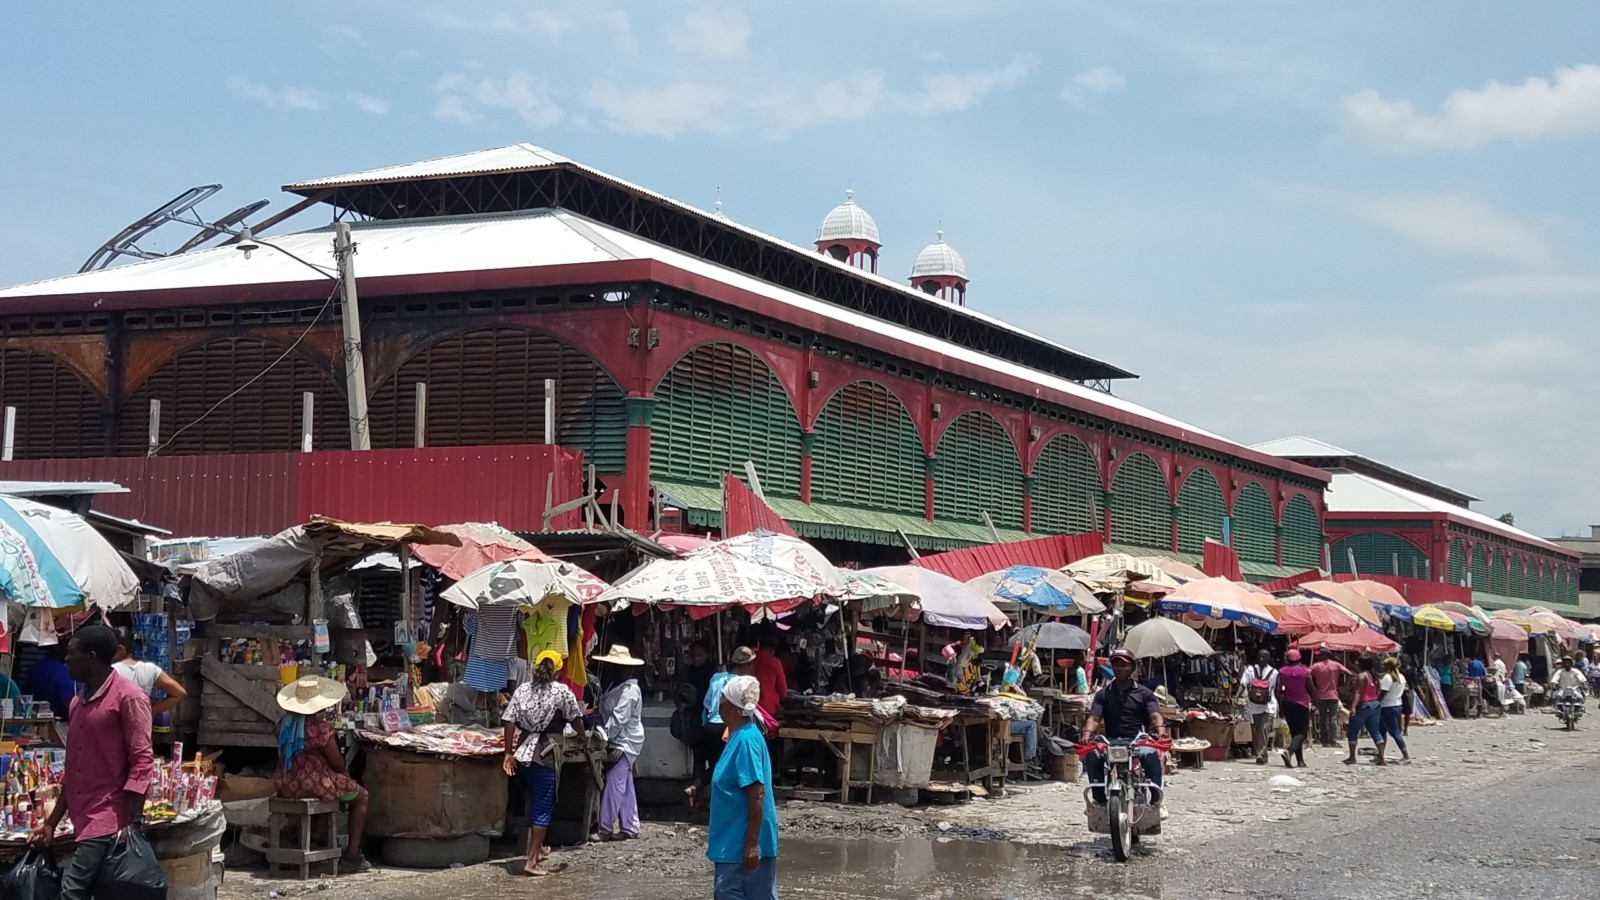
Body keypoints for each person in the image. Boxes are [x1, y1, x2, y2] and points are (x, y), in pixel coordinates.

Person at [28, 624, 155, 900]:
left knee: (70, 893)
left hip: (108, 818)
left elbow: (142, 760)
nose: (65, 659)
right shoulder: (78, 703)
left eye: (71, 653)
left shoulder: (129, 697)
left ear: (91, 657)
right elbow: (73, 772)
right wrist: (51, 822)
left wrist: (134, 821)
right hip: (82, 818)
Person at [502, 650, 589, 877]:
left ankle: (538, 848)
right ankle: (531, 861)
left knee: (533, 798)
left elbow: (509, 721)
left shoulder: (522, 689)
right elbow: (576, 718)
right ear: (558, 670)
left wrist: (508, 753)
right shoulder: (561, 692)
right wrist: (581, 735)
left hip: (523, 755)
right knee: (543, 807)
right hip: (545, 755)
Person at [272, 674, 370, 872]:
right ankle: (352, 855)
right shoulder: (321, 729)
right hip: (314, 784)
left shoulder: (283, 725)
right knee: (362, 797)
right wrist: (345, 773)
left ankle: (315, 839)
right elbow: (337, 763)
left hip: (285, 783)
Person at [708, 675, 779, 900]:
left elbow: (757, 794)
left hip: (739, 844)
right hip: (734, 840)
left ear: (729, 705)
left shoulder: (746, 741)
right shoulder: (740, 737)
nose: (717, 700)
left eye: (721, 696)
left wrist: (750, 845)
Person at [1081, 648, 1165, 804]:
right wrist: (1087, 734)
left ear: (1133, 668)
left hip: (1138, 741)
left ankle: (1156, 798)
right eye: (1116, 665)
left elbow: (1155, 716)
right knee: (1093, 755)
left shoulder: (1145, 694)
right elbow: (1094, 718)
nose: (1120, 668)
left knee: (1150, 754)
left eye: (1124, 665)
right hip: (1111, 741)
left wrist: (1161, 731)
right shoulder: (1103, 694)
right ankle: (1098, 798)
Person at [594, 645, 645, 841]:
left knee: (614, 784)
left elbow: (618, 720)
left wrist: (603, 738)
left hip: (623, 742)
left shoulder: (630, 691)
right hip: (621, 740)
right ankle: (630, 826)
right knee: (624, 786)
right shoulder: (618, 686)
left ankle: (605, 827)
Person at [693, 647, 757, 794]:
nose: (752, 668)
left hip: (709, 726)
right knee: (726, 765)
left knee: (715, 763)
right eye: (750, 664)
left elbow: (707, 704)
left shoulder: (717, 678)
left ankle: (698, 791)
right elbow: (746, 710)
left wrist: (705, 724)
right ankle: (697, 788)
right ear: (744, 666)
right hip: (727, 727)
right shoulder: (743, 684)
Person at [111, 627, 188, 717]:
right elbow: (179, 693)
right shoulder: (149, 669)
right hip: (142, 724)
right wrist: (151, 710)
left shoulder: (111, 670)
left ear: (120, 649)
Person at [1343, 656, 1386, 766]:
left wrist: (1353, 707)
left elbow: (1358, 693)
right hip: (1375, 704)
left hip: (1364, 705)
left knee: (1353, 730)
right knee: (1375, 732)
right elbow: (1378, 690)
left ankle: (1352, 757)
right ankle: (1382, 758)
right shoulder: (1375, 676)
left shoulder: (1362, 676)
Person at [1239, 649, 1279, 765]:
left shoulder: (1274, 672)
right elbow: (1243, 684)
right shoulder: (1250, 670)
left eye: (1264, 657)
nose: (1261, 659)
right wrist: (1236, 697)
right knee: (1257, 730)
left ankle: (1260, 753)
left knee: (1263, 728)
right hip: (1254, 705)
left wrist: (1281, 706)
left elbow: (1277, 690)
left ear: (1268, 659)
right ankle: (1263, 754)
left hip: (1269, 704)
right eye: (1260, 657)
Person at [1276, 649, 1313, 768]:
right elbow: (1311, 688)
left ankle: (1300, 761)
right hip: (1301, 704)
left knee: (1295, 733)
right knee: (1302, 732)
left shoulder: (1282, 671)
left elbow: (1277, 690)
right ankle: (1289, 751)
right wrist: (1316, 702)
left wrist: (1280, 706)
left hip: (1287, 703)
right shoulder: (1304, 671)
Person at [25, 642, 77, 725]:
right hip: (55, 725)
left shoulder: (35, 667)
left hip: (32, 722)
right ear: (57, 647)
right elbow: (68, 709)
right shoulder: (62, 672)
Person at [1310, 650, 1350, 748]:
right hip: (1333, 695)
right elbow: (1349, 674)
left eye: (1319, 655)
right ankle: (1333, 740)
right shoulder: (1336, 665)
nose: (1317, 657)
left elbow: (1306, 674)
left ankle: (1324, 741)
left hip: (1321, 695)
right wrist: (1345, 686)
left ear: (1325, 655)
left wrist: (1312, 687)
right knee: (1333, 717)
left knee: (1323, 718)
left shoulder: (1316, 666)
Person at [1378, 657, 1410, 762]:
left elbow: (1383, 693)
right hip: (1397, 704)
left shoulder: (1388, 678)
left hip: (1386, 706)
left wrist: (1376, 702)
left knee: (1394, 732)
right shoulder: (1401, 677)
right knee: (1382, 731)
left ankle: (1406, 755)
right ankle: (1380, 755)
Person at [750, 633, 789, 721]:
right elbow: (782, 688)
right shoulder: (774, 662)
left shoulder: (751, 659)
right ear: (771, 649)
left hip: (750, 703)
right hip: (768, 706)